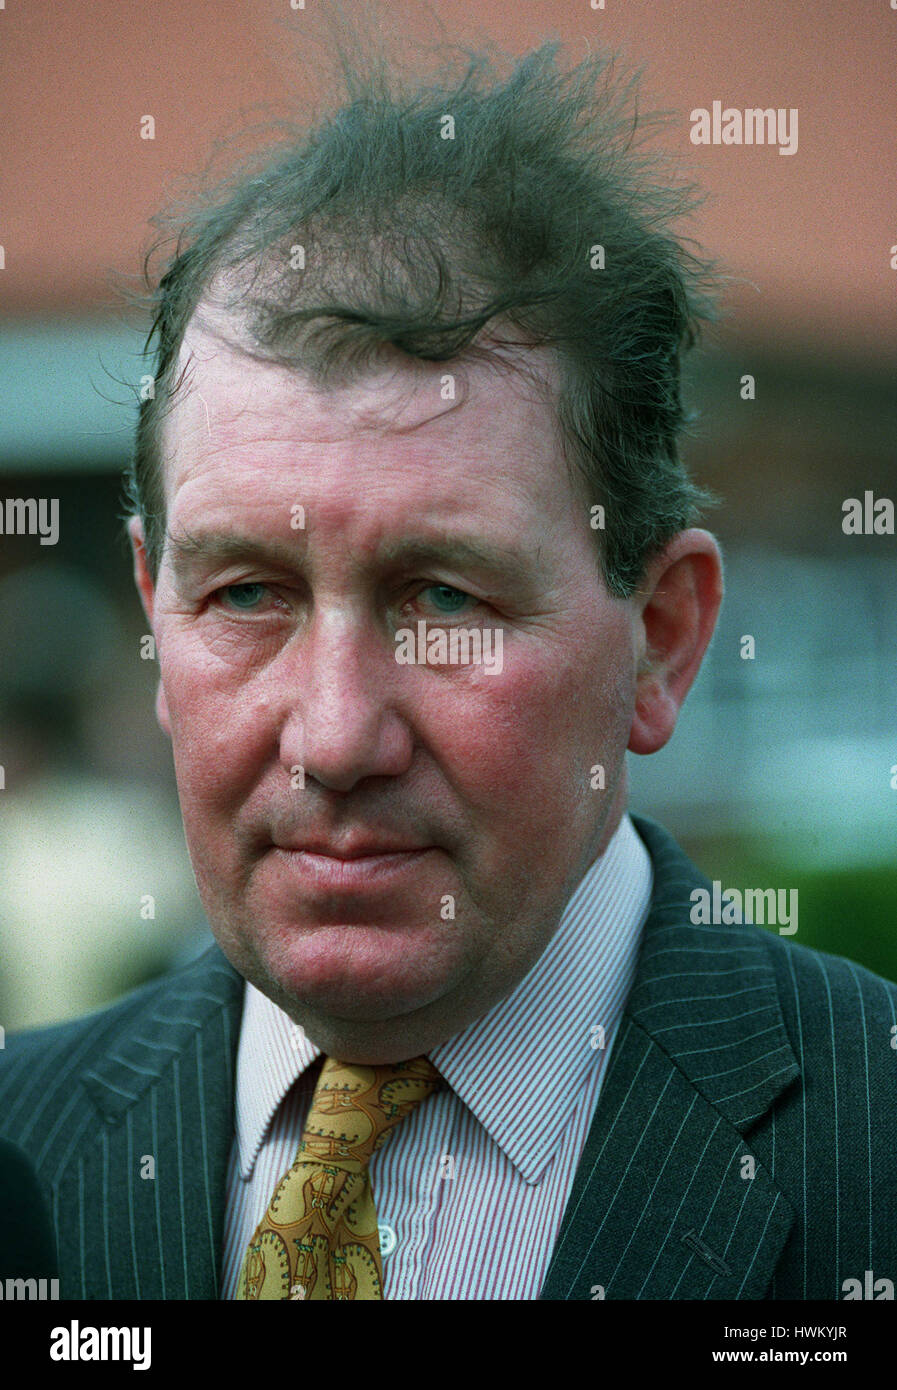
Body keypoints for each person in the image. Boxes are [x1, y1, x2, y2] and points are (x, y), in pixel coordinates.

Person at [1, 37, 894, 1303]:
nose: (335, 734)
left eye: (443, 599)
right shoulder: (18, 1154)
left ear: (662, 638)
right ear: (155, 614)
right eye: (246, 593)